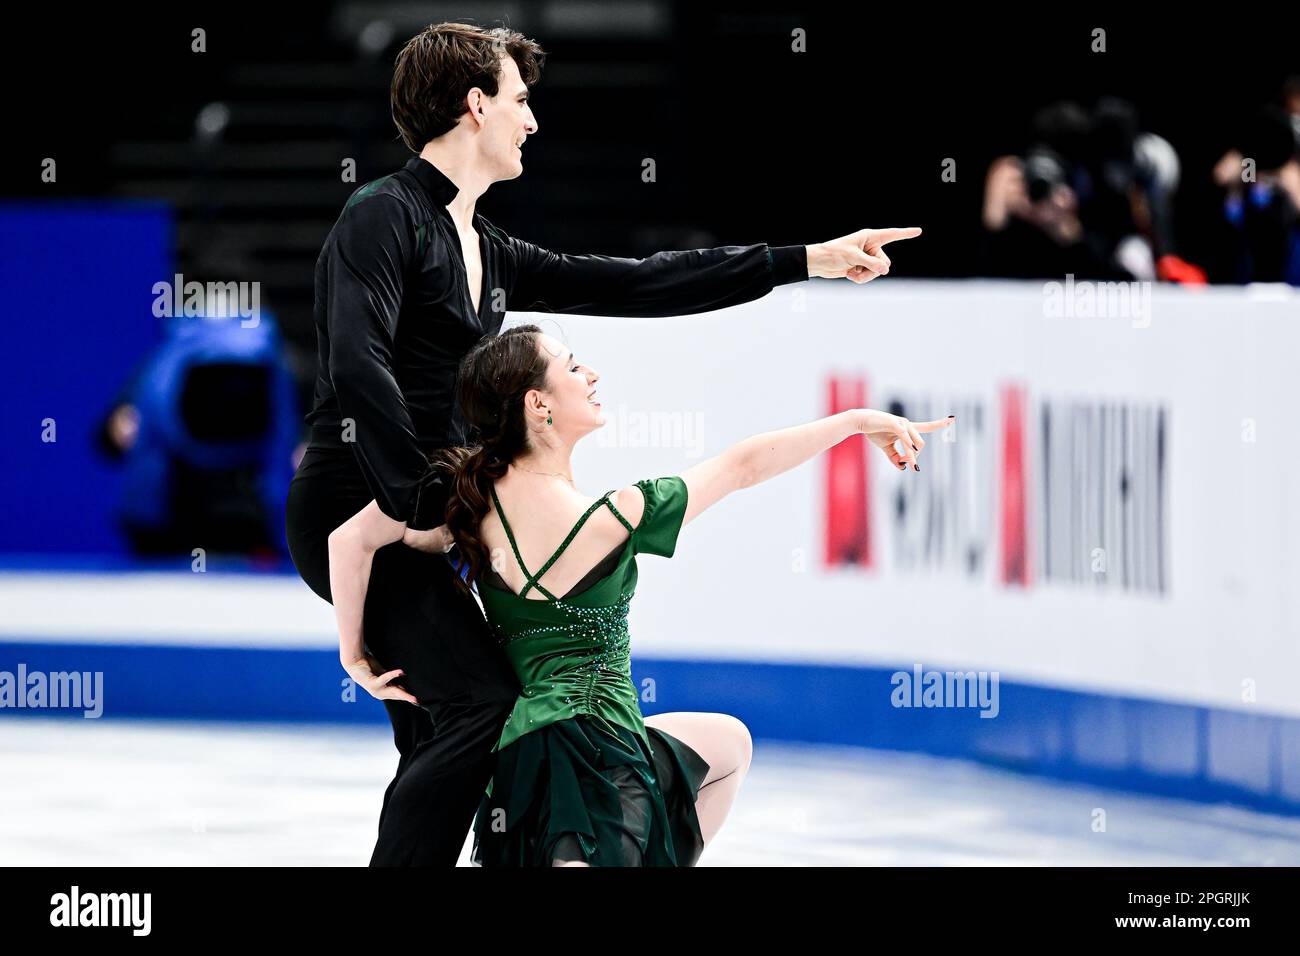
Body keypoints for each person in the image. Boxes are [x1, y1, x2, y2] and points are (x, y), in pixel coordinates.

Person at [286, 19, 921, 866]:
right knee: (480, 706)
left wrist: (803, 260)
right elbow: (358, 368)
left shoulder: (489, 247)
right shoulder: (382, 218)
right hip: (358, 497)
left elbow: (638, 283)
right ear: (475, 106)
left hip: (424, 508)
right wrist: (422, 500)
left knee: (451, 724)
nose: (532, 121)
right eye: (520, 100)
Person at [327, 324, 954, 865]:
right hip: (600, 750)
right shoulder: (617, 515)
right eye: (573, 367)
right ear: (538, 405)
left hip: (519, 761)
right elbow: (740, 467)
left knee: (727, 742)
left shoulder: (464, 500)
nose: (591, 374)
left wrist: (354, 654)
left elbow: (345, 542)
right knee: (718, 755)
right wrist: (852, 422)